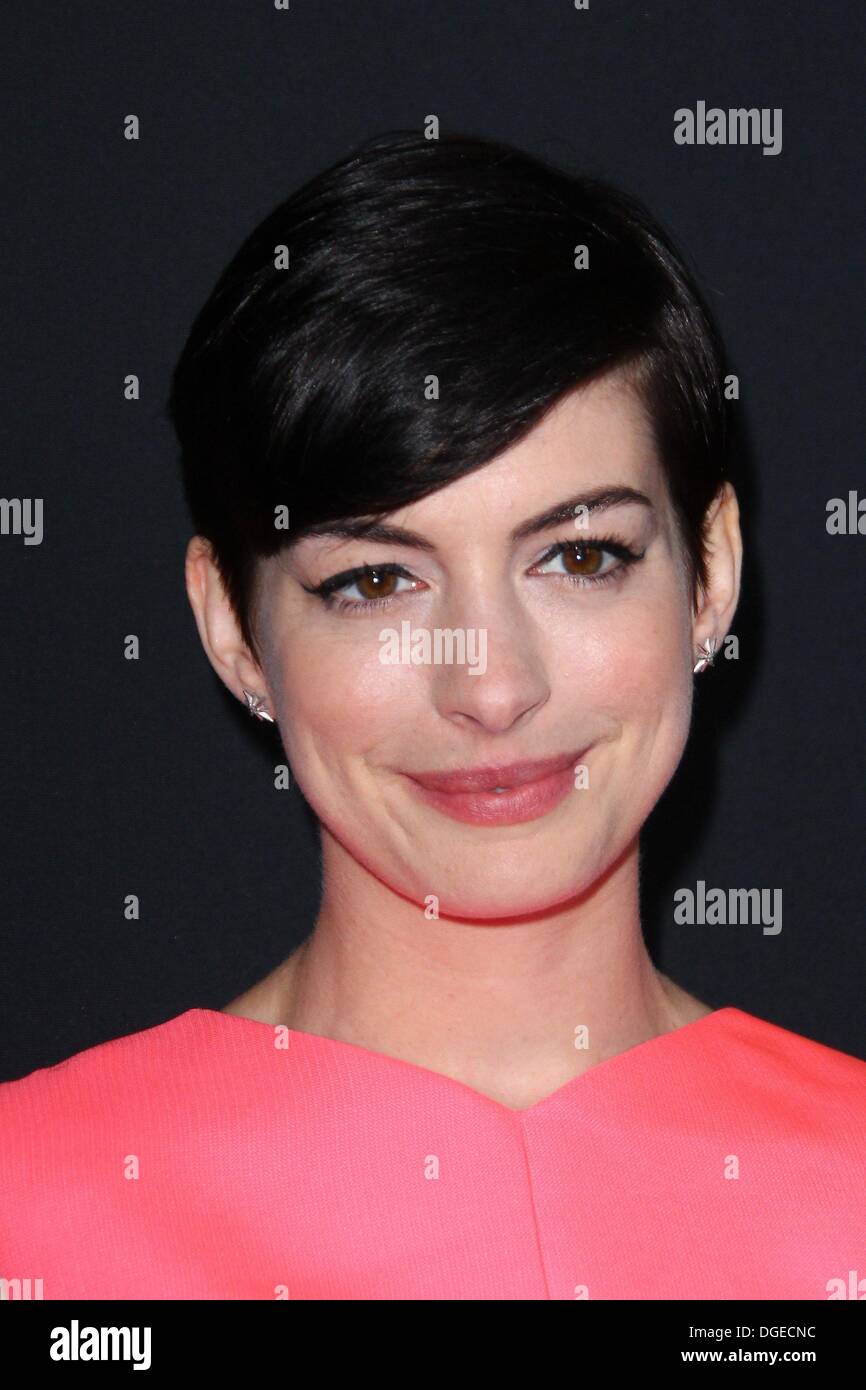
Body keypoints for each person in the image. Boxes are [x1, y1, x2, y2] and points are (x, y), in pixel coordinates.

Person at [1, 130, 863, 1301]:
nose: (490, 685)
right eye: (373, 580)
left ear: (709, 573)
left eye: (580, 555)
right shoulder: (36, 1207)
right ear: (230, 628)